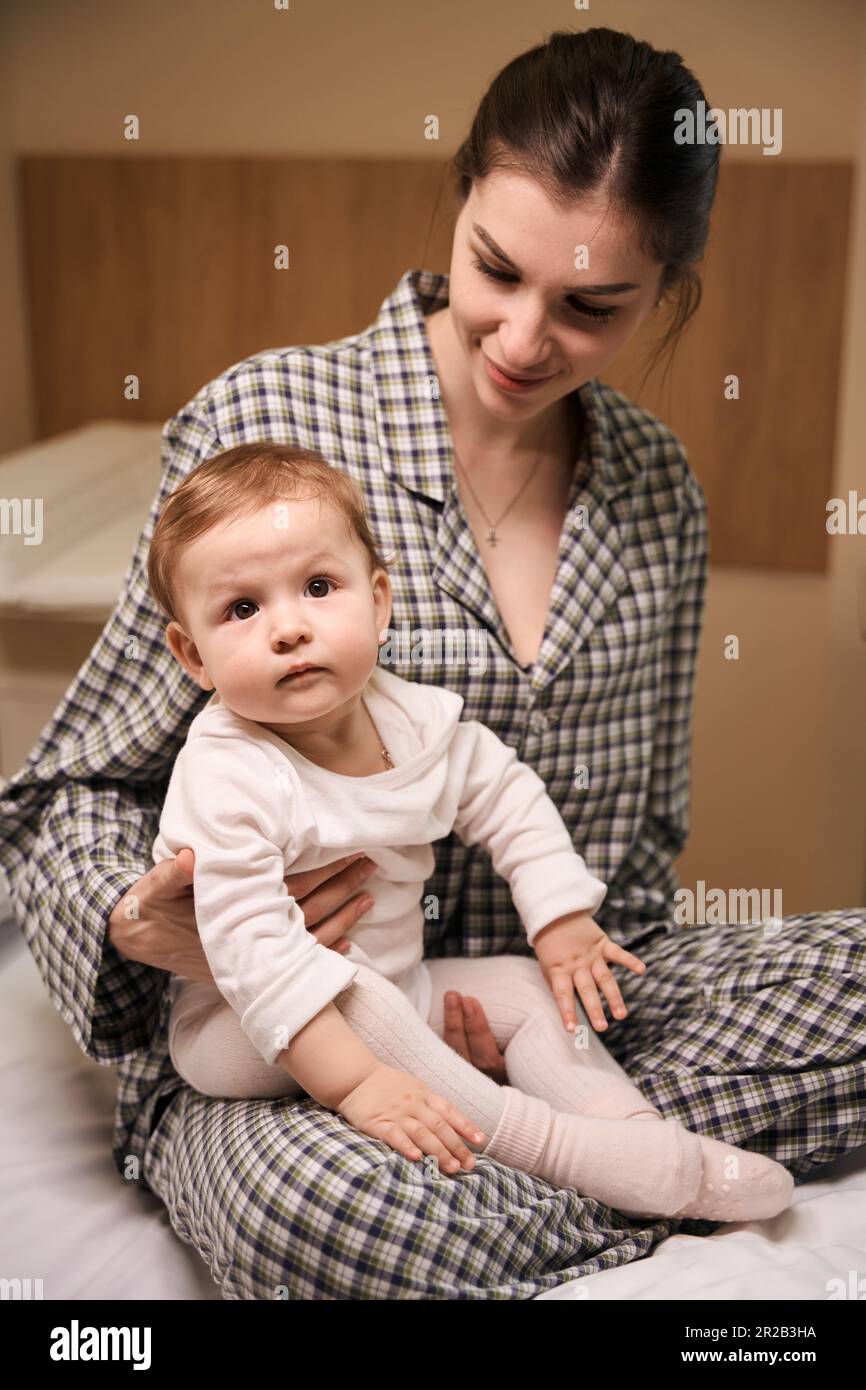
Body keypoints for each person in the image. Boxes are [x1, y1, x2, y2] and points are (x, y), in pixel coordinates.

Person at [1, 26, 864, 1299]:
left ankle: (561, 1158)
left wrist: (568, 980)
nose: (521, 337)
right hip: (298, 1054)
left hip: (543, 1005)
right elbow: (63, 795)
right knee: (315, 1210)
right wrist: (144, 924)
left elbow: (638, 846)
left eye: (590, 307)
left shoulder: (657, 492)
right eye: (494, 269)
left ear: (665, 288)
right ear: (458, 198)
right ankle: (620, 1175)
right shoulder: (265, 422)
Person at [148, 442, 793, 1224]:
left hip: (401, 988)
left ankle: (632, 1131)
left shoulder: (411, 720)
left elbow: (506, 793)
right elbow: (258, 959)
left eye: (318, 588)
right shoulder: (228, 773)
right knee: (349, 988)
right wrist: (360, 1085)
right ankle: (561, 1151)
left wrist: (559, 918)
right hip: (246, 1027)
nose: (288, 628)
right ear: (194, 655)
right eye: (242, 609)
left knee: (525, 987)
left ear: (378, 603)